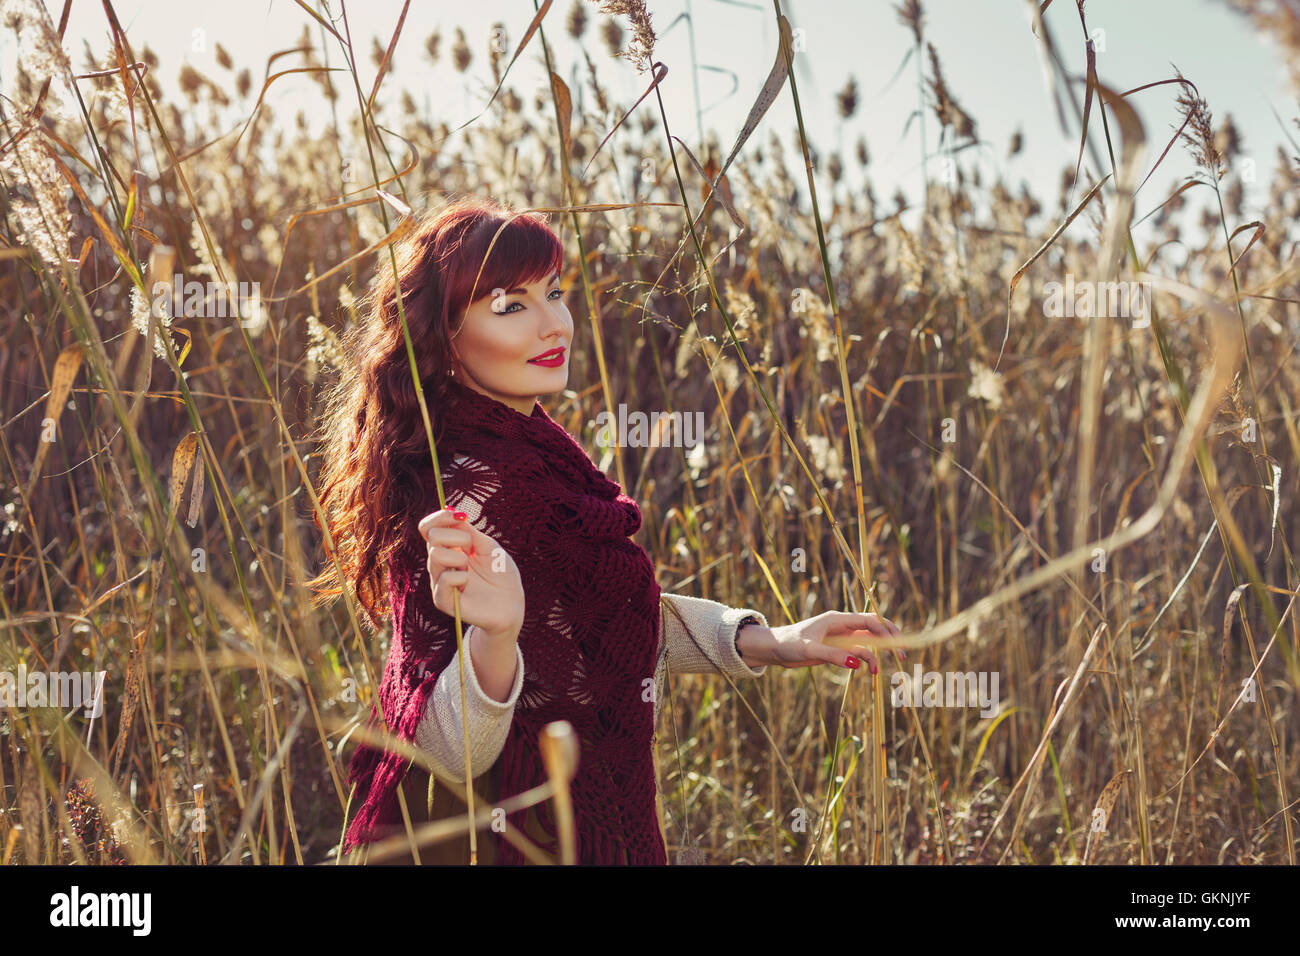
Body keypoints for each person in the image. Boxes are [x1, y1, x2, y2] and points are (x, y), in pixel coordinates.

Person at [308, 194, 902, 865]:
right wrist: (497, 637)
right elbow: (444, 751)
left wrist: (769, 641)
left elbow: (605, 614)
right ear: (442, 339)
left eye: (554, 293)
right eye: (511, 305)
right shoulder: (472, 488)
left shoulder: (534, 457)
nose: (553, 323)